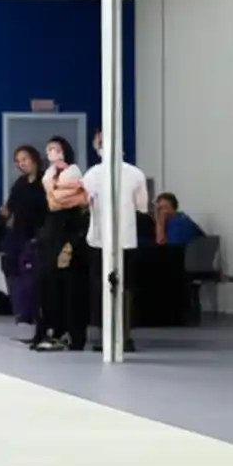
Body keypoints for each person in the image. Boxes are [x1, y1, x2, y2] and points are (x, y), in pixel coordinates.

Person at [54, 130, 148, 353]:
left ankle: (111, 334)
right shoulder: (134, 173)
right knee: (122, 289)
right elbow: (142, 207)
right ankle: (120, 335)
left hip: (102, 240)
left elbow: (78, 200)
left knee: (105, 288)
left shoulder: (95, 174)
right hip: (121, 239)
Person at [29, 137, 89, 351]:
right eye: (49, 149)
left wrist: (56, 193)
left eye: (55, 149)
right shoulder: (48, 175)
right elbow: (52, 201)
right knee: (47, 284)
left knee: (68, 287)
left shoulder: (74, 173)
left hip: (69, 233)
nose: (51, 153)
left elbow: (62, 200)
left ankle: (71, 333)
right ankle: (50, 329)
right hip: (51, 235)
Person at [1, 146, 48, 326]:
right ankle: (21, 312)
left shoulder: (44, 181)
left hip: (37, 232)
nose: (22, 164)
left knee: (32, 274)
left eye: (24, 159)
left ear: (34, 159)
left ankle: (35, 311)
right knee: (13, 269)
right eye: (18, 161)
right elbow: (10, 206)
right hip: (19, 232)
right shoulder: (20, 183)